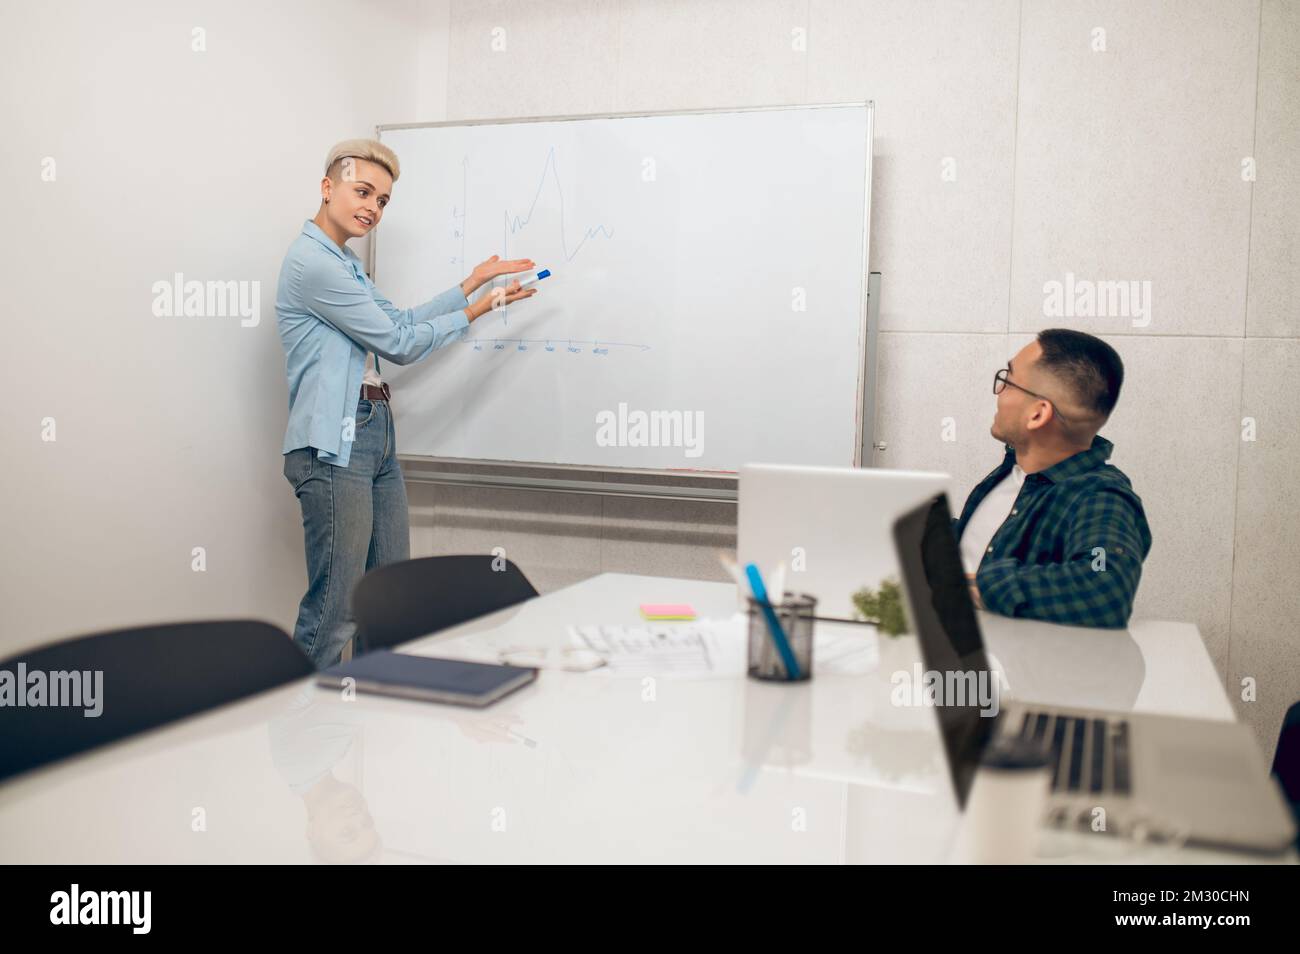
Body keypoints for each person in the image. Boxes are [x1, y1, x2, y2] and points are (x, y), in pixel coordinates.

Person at [276, 138, 537, 667]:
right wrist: (477, 310)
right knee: (336, 612)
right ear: (327, 188)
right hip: (335, 443)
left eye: (383, 200)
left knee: (390, 604)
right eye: (363, 192)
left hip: (374, 431)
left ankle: (375, 714)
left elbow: (398, 320)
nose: (372, 207)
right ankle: (295, 719)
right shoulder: (313, 264)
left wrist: (471, 284)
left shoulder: (345, 264)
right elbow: (398, 344)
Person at [954, 329, 1151, 628]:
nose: (999, 392)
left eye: (1008, 381)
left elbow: (1103, 581)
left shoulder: (1100, 497)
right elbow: (979, 545)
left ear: (1038, 414)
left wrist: (972, 586)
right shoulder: (1010, 475)